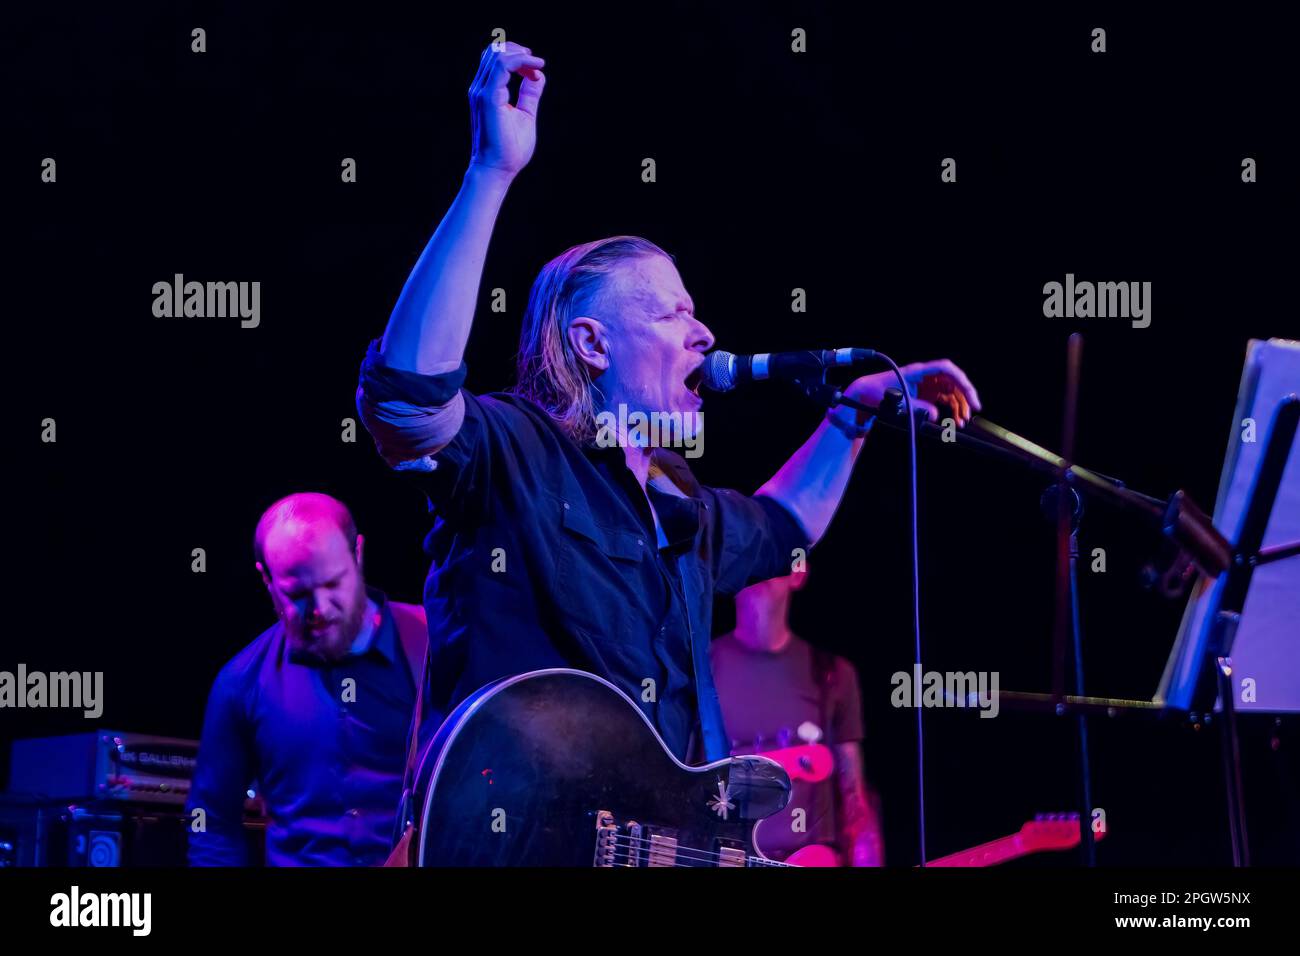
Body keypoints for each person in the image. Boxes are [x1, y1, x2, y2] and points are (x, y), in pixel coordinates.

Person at [356, 41, 980, 767]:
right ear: (592, 344)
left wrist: (856, 412)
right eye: (670, 315)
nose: (704, 334)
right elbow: (407, 399)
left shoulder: (676, 499)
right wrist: (491, 173)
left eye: (696, 315)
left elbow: (783, 525)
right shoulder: (514, 451)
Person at [187, 493, 428, 866]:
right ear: (266, 579)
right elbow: (211, 824)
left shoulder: (432, 646)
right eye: (297, 594)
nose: (318, 609)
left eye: (333, 584)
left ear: (358, 555)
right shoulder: (240, 682)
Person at [711, 567, 884, 865]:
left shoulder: (832, 673)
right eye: (750, 560)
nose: (759, 570)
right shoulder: (698, 669)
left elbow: (854, 795)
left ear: (798, 574)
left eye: (772, 559)